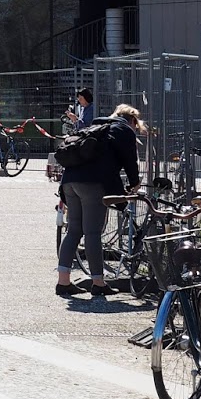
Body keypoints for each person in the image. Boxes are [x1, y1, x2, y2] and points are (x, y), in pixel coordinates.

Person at [55, 102, 143, 301]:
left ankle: (63, 281)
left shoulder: (95, 127)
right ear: (132, 121)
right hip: (92, 184)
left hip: (69, 181)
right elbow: (130, 161)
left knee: (74, 230)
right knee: (93, 232)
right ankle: (98, 283)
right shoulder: (124, 130)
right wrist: (135, 184)